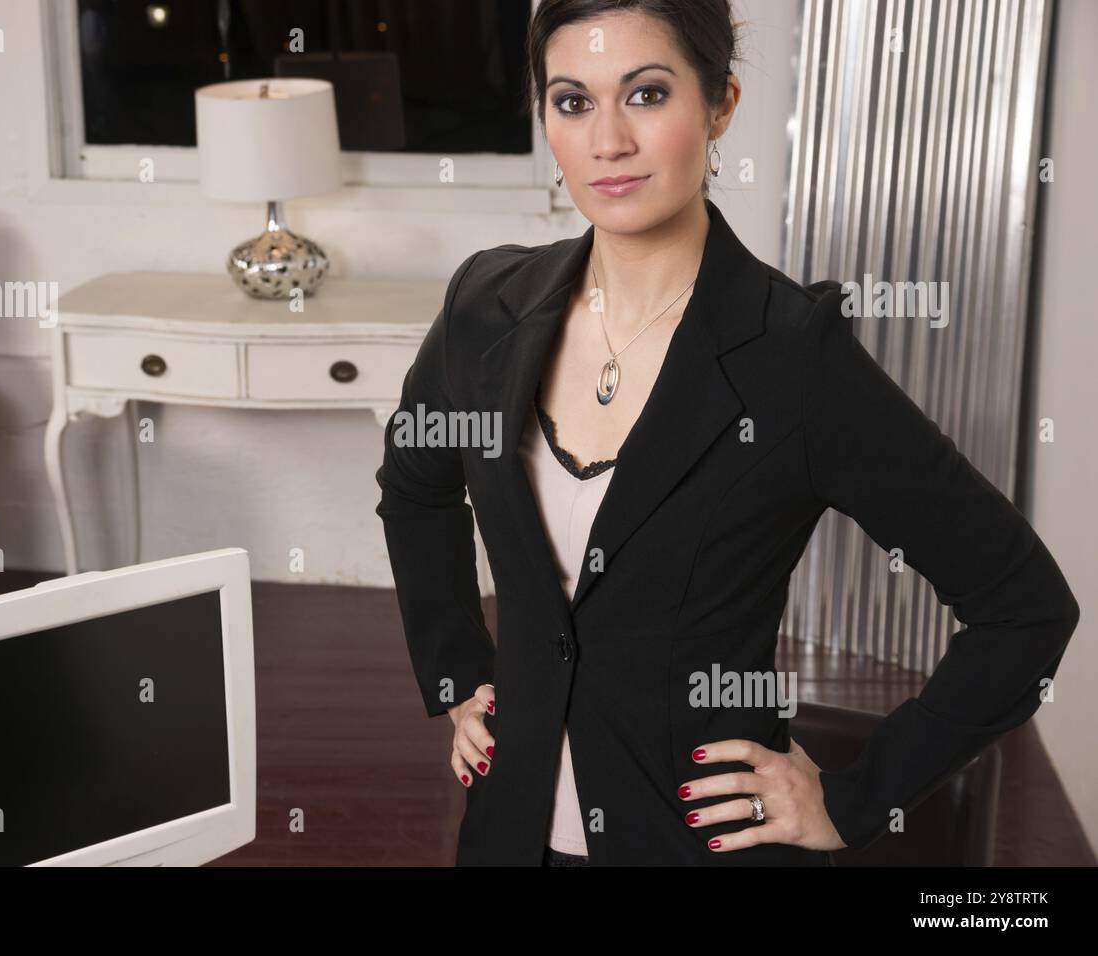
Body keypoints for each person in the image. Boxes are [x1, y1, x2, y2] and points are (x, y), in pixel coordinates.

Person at [374, 0, 1080, 866]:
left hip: (699, 844)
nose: (607, 143)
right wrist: (457, 675)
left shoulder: (795, 357)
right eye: (572, 101)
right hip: (506, 835)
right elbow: (414, 489)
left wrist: (855, 803)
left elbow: (1025, 608)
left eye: (646, 94)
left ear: (720, 107)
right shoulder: (484, 307)